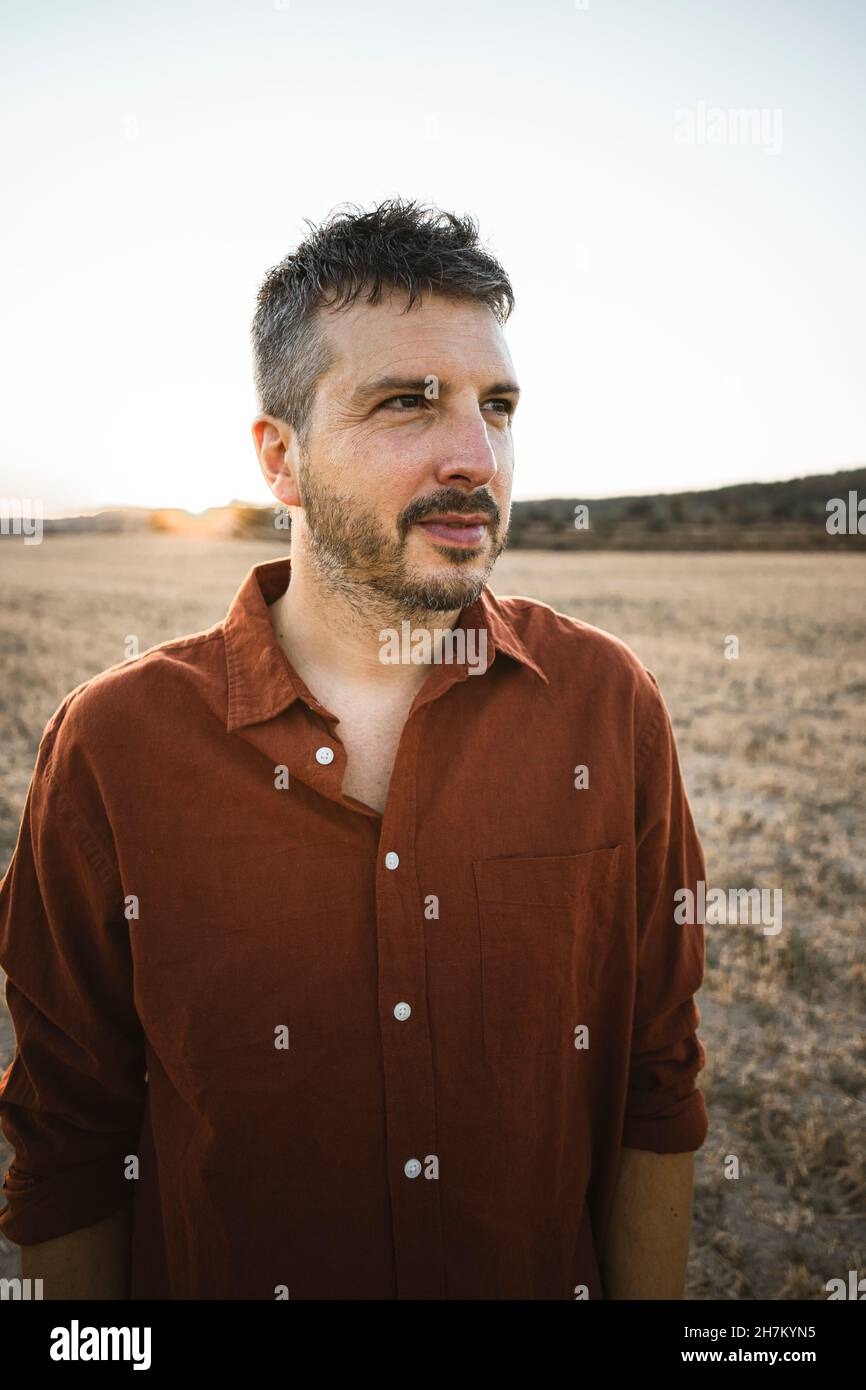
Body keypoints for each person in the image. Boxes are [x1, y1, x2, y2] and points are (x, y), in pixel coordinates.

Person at [0, 197, 708, 1299]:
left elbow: (654, 1086)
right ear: (280, 459)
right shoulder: (115, 746)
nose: (475, 456)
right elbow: (67, 1145)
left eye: (499, 406)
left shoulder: (605, 708)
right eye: (406, 404)